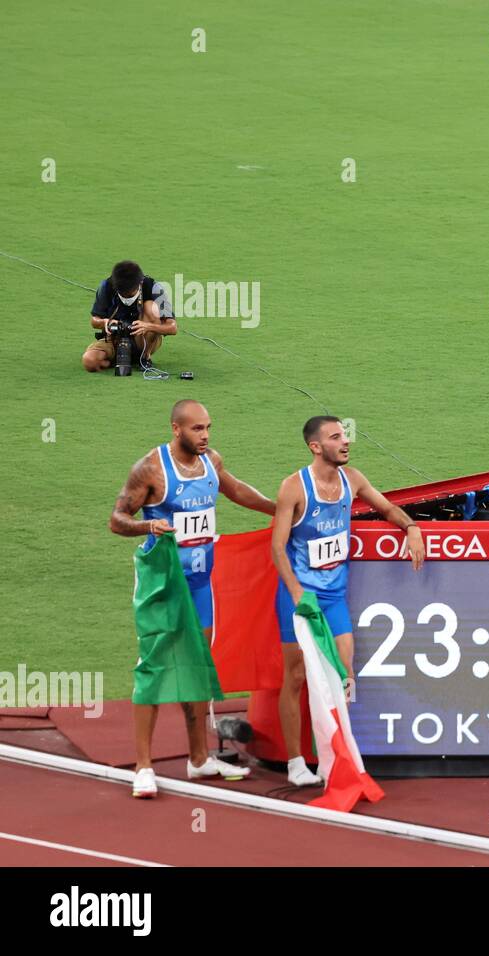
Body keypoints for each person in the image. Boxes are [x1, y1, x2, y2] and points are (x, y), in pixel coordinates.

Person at [110, 400, 277, 797]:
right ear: (176, 428)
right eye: (197, 429)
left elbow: (236, 491)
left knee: (197, 666)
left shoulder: (210, 462)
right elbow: (116, 520)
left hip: (200, 584)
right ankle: (143, 767)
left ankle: (199, 759)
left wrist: (281, 510)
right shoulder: (150, 469)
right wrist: (147, 524)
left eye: (208, 428)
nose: (205, 436)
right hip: (163, 586)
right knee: (153, 669)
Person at [270, 415, 425, 787]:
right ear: (315, 447)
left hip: (333, 596)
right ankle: (295, 762)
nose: (345, 442)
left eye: (345, 435)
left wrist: (411, 527)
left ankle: (337, 757)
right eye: (336, 437)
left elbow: (387, 508)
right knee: (294, 677)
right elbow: (277, 547)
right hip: (299, 595)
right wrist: (295, 593)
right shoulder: (294, 488)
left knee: (344, 675)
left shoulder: (352, 480)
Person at [84, 260, 176, 372]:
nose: (126, 298)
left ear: (140, 283)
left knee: (150, 306)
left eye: (130, 294)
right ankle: (120, 359)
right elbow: (94, 321)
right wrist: (104, 322)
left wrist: (147, 326)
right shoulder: (107, 286)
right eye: (122, 295)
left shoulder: (154, 287)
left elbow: (172, 327)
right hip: (114, 339)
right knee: (89, 361)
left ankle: (145, 357)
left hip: (144, 339)